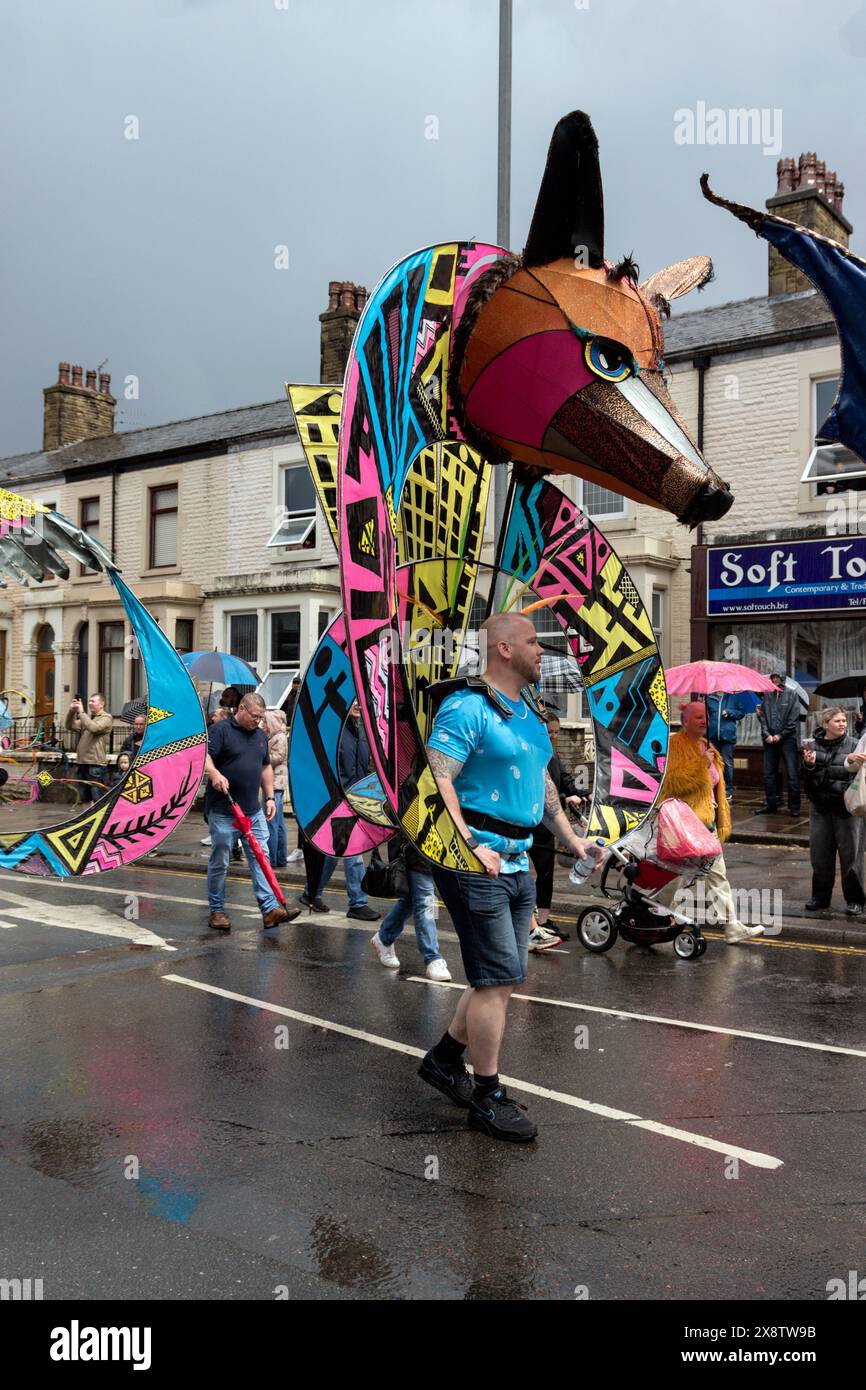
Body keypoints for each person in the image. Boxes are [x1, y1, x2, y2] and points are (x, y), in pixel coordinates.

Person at [420, 613, 604, 1144]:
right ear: (503, 649)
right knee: (497, 979)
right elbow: (439, 777)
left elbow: (542, 783)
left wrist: (571, 839)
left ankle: (443, 1061)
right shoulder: (466, 707)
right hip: (479, 861)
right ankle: (487, 1095)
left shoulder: (526, 711)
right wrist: (470, 845)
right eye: (532, 643)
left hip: (522, 860)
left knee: (496, 977)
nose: (541, 652)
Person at [657, 701, 765, 944]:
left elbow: (715, 786)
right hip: (685, 826)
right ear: (684, 721)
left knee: (716, 875)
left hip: (707, 825)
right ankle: (661, 917)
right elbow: (671, 784)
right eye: (697, 717)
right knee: (679, 877)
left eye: (705, 715)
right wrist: (700, 764)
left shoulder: (708, 746)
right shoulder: (674, 745)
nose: (703, 720)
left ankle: (731, 925)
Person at [203, 692, 301, 932]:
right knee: (221, 860)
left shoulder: (259, 736)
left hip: (252, 811)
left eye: (261, 718)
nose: (257, 721)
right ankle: (216, 911)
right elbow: (203, 757)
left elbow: (265, 766)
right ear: (242, 709)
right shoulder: (220, 731)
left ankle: (269, 910)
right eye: (254, 717)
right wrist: (214, 774)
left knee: (261, 857)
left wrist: (269, 797)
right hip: (224, 810)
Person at [299, 701, 381, 921]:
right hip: (336, 802)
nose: (357, 704)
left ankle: (311, 892)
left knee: (332, 856)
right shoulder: (333, 732)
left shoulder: (364, 730)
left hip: (358, 801)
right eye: (352, 700)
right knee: (352, 853)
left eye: (360, 700)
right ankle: (358, 903)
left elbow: (368, 766)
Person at [527, 712, 585, 950]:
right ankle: (528, 925)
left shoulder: (553, 756)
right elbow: (538, 788)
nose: (553, 736)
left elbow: (566, 779)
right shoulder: (534, 754)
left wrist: (581, 792)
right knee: (524, 875)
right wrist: (564, 795)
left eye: (556, 732)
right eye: (549, 732)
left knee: (546, 873)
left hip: (548, 826)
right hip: (530, 823)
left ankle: (543, 920)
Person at [802, 708, 865, 917]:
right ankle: (820, 897)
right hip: (820, 809)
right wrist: (809, 766)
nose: (842, 724)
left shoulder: (855, 744)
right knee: (820, 857)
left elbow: (859, 777)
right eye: (837, 721)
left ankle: (855, 900)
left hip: (847, 810)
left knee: (851, 858)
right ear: (825, 723)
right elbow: (808, 782)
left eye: (844, 721)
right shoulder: (812, 745)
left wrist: (854, 763)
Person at [370, 835, 451, 980]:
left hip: (436, 845)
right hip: (415, 845)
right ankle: (433, 957)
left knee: (411, 900)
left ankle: (384, 937)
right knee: (426, 900)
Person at [756, 672, 801, 816]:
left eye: (777, 678)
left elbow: (793, 720)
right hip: (769, 741)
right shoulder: (767, 695)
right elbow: (763, 718)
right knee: (768, 774)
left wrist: (780, 735)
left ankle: (794, 807)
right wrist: (767, 735)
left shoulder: (792, 695)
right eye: (772, 678)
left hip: (788, 740)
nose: (774, 680)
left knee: (792, 774)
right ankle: (771, 804)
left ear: (782, 679)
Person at [65, 693, 113, 803]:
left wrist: (81, 712)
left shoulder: (106, 718)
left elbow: (94, 728)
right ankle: (88, 820)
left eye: (93, 701)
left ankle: (99, 820)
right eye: (89, 701)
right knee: (84, 798)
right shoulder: (87, 719)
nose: (90, 703)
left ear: (101, 704)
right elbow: (69, 726)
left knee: (98, 798)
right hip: (82, 763)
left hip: (95, 764)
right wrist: (72, 711)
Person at [705, 692, 750, 800]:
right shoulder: (710, 698)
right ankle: (714, 789)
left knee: (727, 763)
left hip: (728, 737)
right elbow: (706, 715)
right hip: (713, 736)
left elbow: (741, 713)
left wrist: (730, 712)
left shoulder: (734, 697)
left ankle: (727, 790)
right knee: (713, 763)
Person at [262, 708, 288, 869]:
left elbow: (278, 757)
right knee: (278, 824)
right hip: (276, 782)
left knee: (271, 822)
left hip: (275, 784)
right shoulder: (276, 736)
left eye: (265, 721)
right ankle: (280, 858)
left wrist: (261, 757)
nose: (263, 724)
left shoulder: (279, 737)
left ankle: (272, 859)